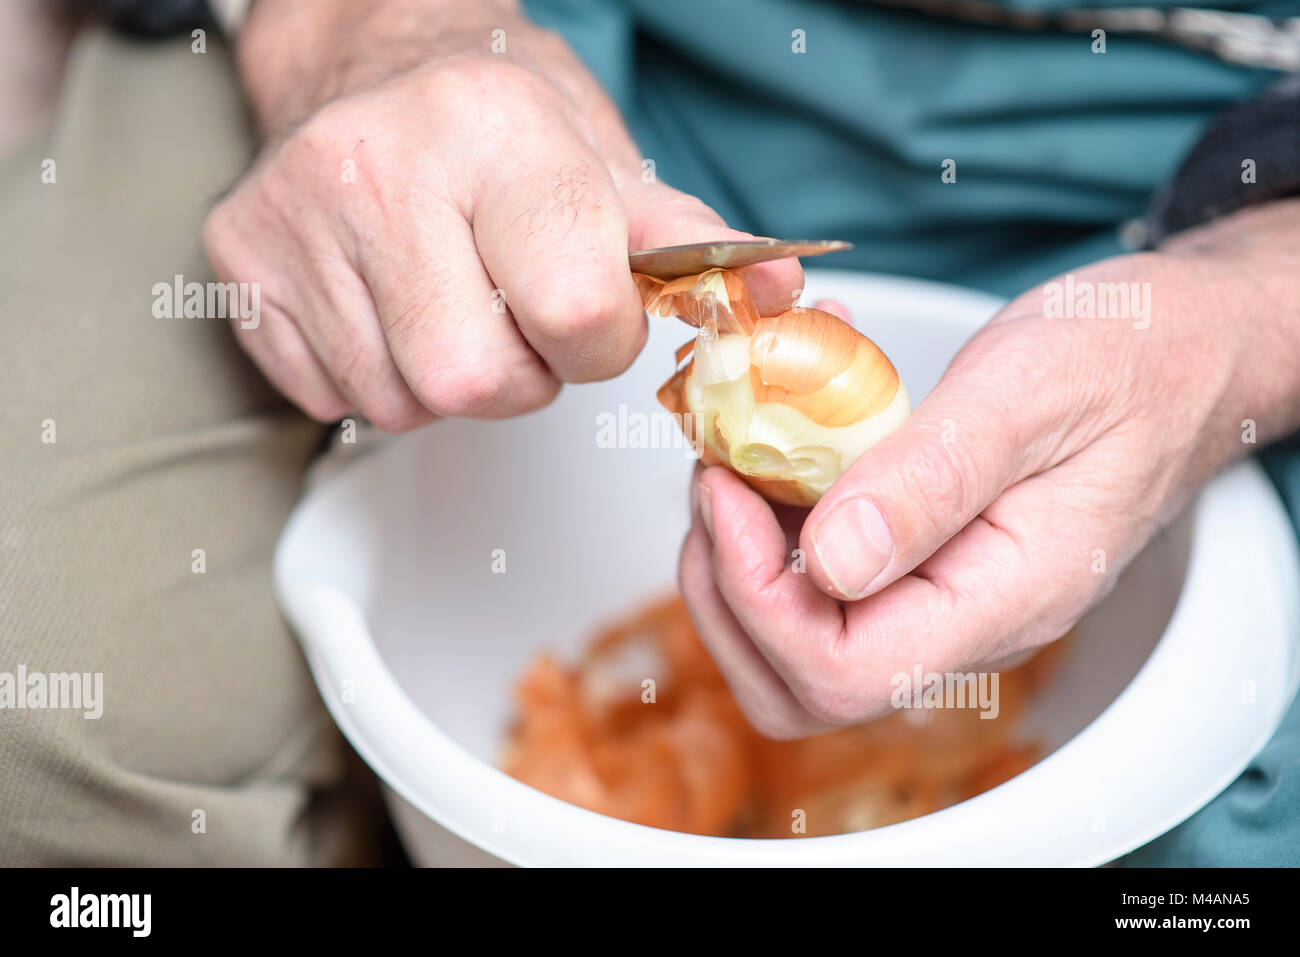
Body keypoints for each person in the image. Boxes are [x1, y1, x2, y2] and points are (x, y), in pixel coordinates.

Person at [2, 0, 1297, 865]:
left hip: (1234, 171)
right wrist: (357, 33)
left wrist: (1247, 319)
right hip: (517, 42)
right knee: (59, 701)